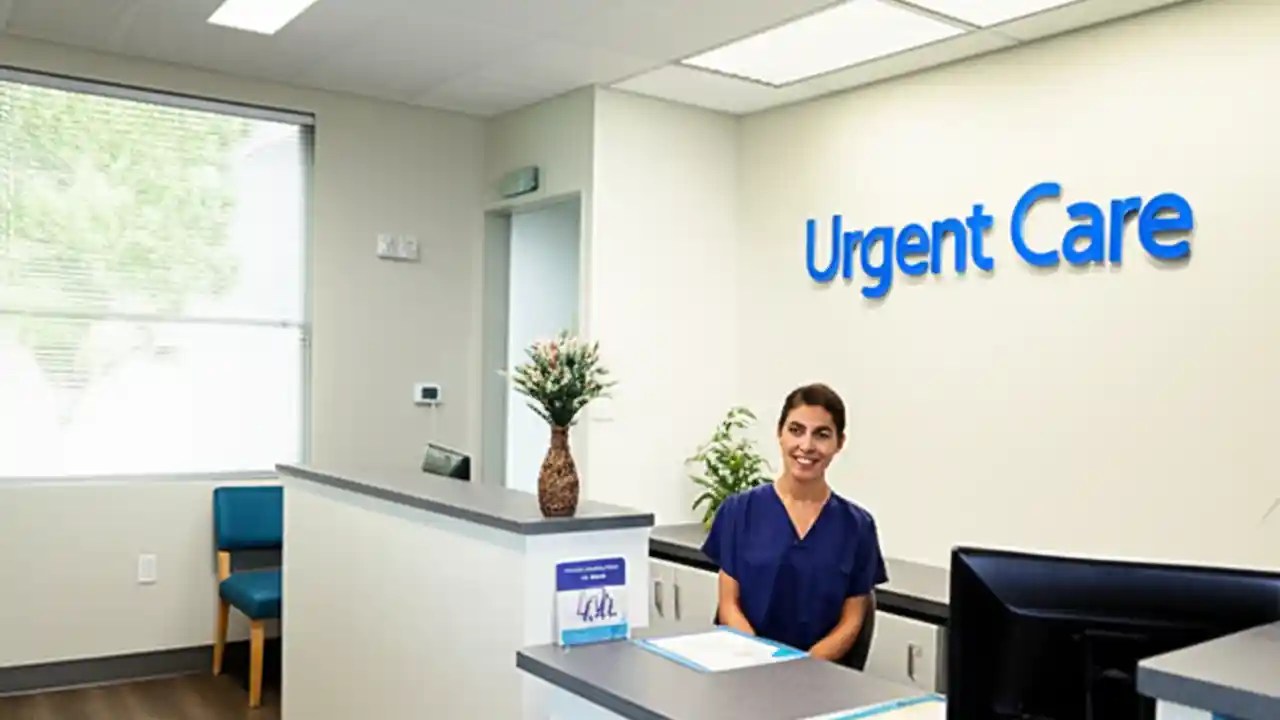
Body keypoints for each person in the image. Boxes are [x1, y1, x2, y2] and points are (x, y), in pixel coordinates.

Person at [701, 382, 888, 664]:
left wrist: (804, 667)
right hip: (744, 671)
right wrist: (760, 660)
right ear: (779, 433)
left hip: (819, 678)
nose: (807, 445)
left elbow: (852, 620)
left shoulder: (857, 526)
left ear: (840, 443)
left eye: (822, 434)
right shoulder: (739, 511)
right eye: (796, 430)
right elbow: (729, 604)